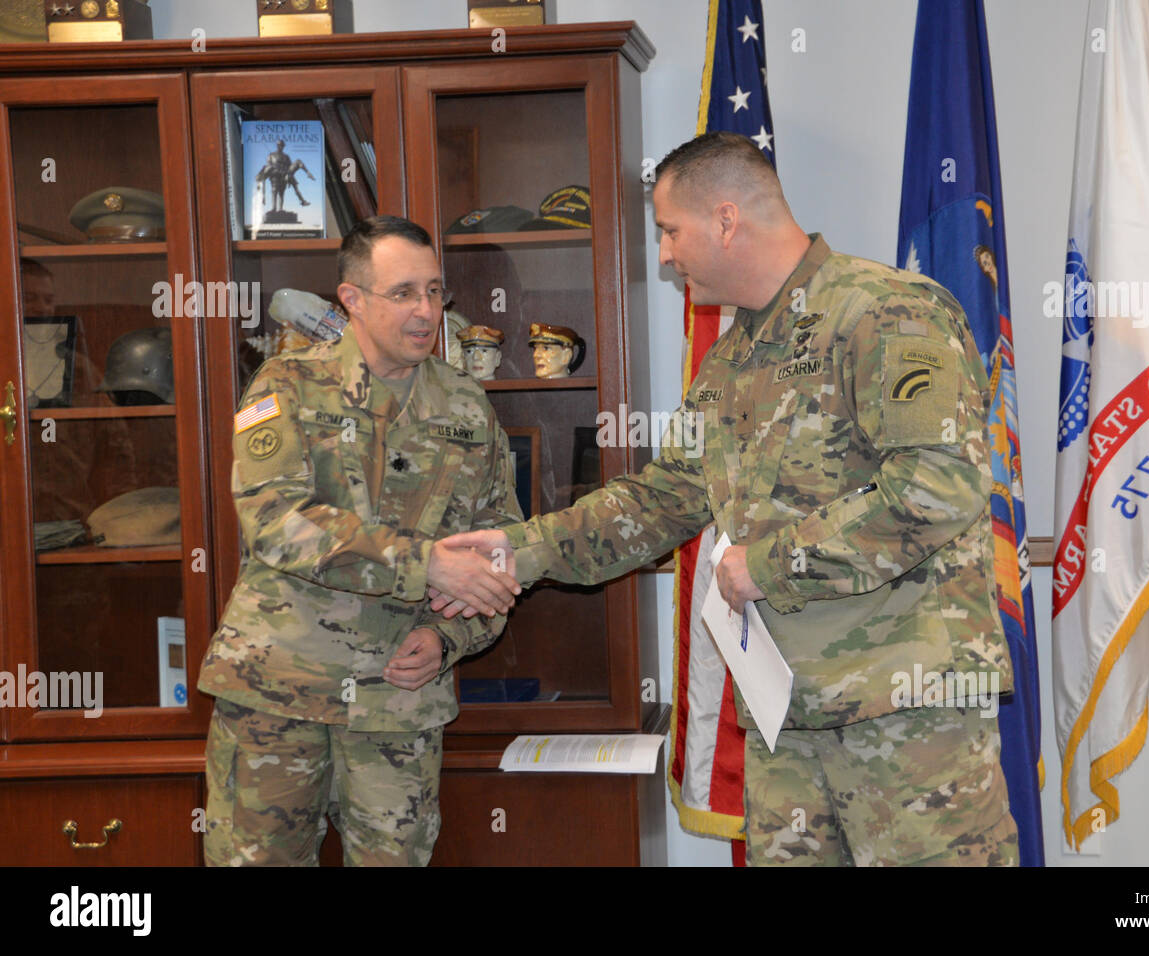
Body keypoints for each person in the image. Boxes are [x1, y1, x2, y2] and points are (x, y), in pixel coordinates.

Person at [436, 132, 1018, 866]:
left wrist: (768, 566)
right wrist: (514, 551)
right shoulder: (733, 358)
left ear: (726, 219)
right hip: (785, 716)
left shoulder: (886, 311)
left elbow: (937, 486)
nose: (664, 255)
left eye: (670, 231)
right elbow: (663, 499)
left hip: (903, 714)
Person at [198, 215, 523, 866]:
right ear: (352, 298)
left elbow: (499, 552)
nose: (426, 310)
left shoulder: (466, 406)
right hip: (277, 691)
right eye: (403, 293)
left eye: (434, 291)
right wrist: (423, 565)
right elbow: (274, 519)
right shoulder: (286, 384)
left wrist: (447, 638)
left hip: (397, 702)